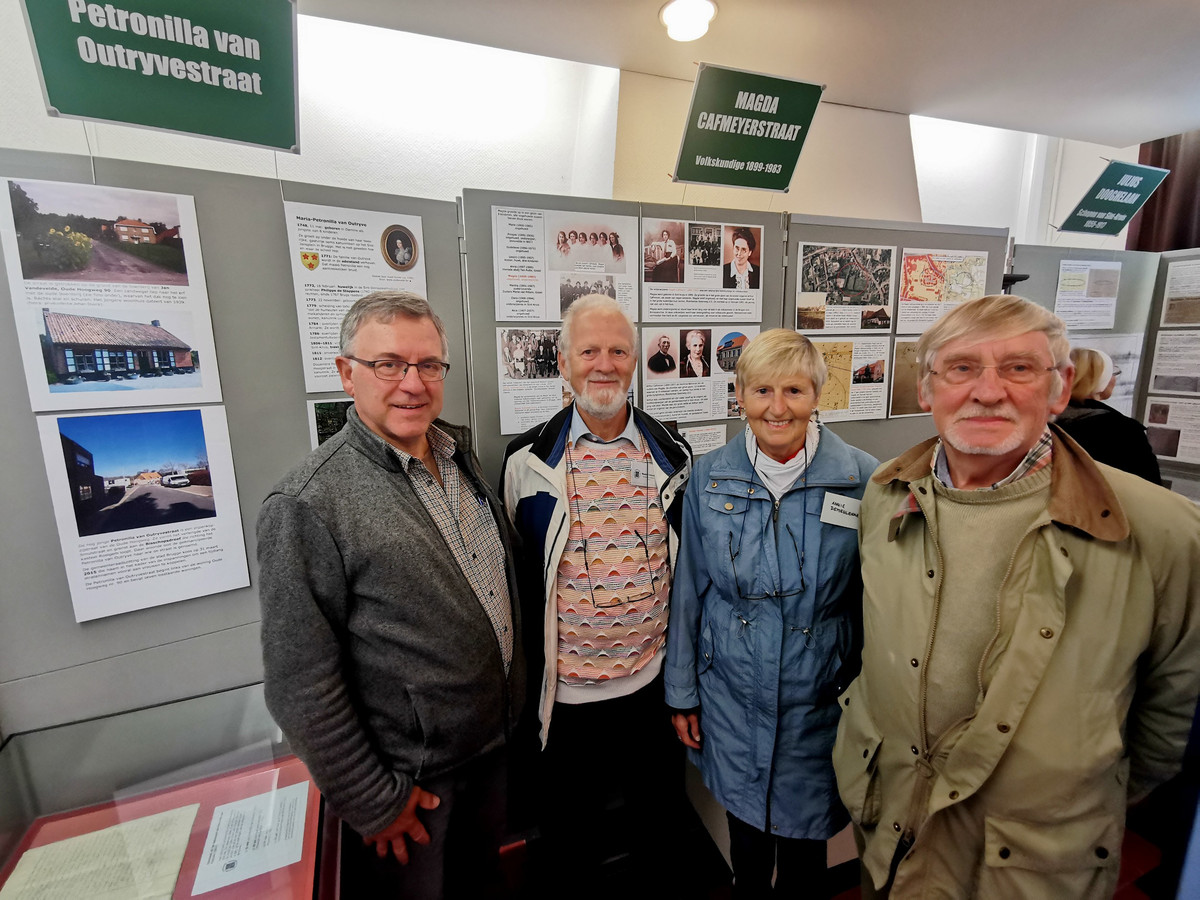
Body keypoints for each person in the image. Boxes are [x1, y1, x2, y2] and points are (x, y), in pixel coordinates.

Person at [832, 295, 1200, 899]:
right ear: (926, 391)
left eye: (1019, 368)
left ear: (1060, 390)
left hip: (1033, 859)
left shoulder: (1160, 531)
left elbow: (1172, 716)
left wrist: (1071, 781)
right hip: (892, 825)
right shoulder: (885, 495)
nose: (987, 391)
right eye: (961, 368)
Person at [258, 291, 524, 899]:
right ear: (347, 373)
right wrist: (374, 802)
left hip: (489, 756)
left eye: (429, 365)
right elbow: (299, 683)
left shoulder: (459, 458)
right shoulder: (307, 505)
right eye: (389, 364)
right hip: (411, 786)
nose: (413, 382)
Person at [666, 329, 878, 899]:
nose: (777, 408)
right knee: (748, 849)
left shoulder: (864, 479)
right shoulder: (709, 476)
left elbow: (876, 602)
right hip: (732, 696)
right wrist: (682, 692)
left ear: (818, 396)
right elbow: (690, 589)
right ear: (739, 394)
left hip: (820, 703)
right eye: (761, 390)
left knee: (808, 851)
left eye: (794, 390)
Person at [501, 293, 692, 885]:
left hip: (651, 689)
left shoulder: (674, 455)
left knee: (659, 838)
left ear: (635, 361)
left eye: (618, 351)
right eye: (589, 350)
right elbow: (520, 571)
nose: (603, 364)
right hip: (566, 703)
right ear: (562, 363)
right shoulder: (524, 462)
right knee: (568, 847)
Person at [1055, 347, 1161, 484]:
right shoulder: (1121, 429)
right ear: (1099, 379)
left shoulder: (1044, 418)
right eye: (1113, 373)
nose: (1114, 379)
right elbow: (1150, 487)